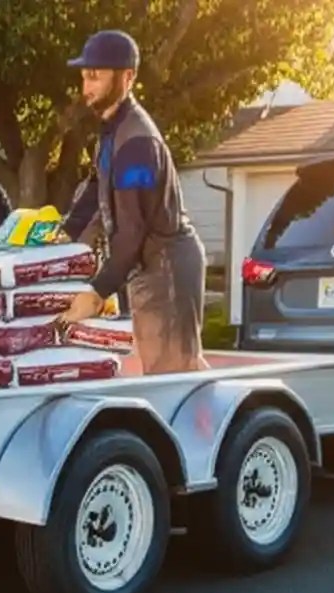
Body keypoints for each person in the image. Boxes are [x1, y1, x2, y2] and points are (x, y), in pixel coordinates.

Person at [55, 29, 209, 374]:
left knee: (173, 376)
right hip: (148, 267)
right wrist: (65, 236)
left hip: (165, 268)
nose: (86, 87)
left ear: (127, 77)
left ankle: (220, 424)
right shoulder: (112, 131)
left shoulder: (137, 142)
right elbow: (97, 189)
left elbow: (132, 230)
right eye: (83, 77)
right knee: (171, 370)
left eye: (95, 76)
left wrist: (97, 292)